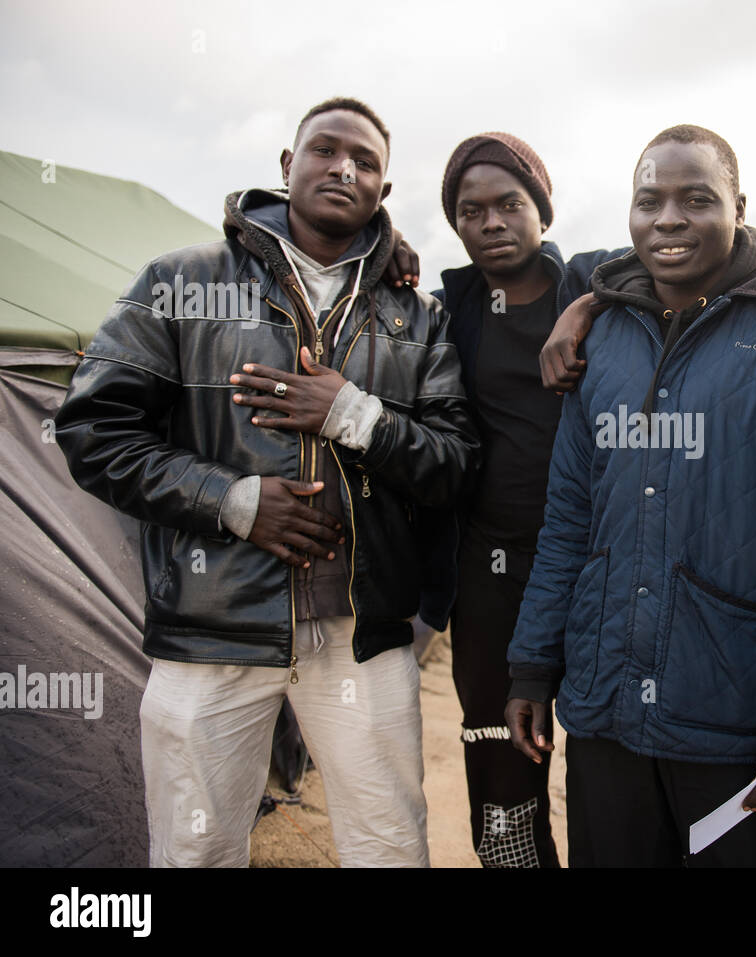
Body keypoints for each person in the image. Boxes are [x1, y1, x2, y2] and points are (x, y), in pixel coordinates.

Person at [55, 97, 478, 867]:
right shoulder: (181, 280)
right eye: (326, 149)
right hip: (210, 622)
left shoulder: (417, 318)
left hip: (363, 633)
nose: (344, 167)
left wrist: (353, 414)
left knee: (389, 848)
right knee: (194, 851)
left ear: (384, 191)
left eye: (367, 161)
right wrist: (235, 501)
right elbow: (92, 431)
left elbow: (453, 466)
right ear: (288, 166)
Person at [505, 125, 756, 867]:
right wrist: (533, 662)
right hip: (603, 706)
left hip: (735, 715)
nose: (668, 218)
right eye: (649, 200)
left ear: (738, 207)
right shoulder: (600, 339)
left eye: (696, 199)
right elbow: (568, 516)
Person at [427, 132, 617, 867]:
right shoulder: (454, 307)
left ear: (542, 208)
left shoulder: (593, 281)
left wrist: (586, 308)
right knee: (501, 749)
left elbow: (688, 264)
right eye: (470, 211)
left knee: (605, 745)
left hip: (598, 555)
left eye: (510, 204)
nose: (491, 222)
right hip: (490, 567)